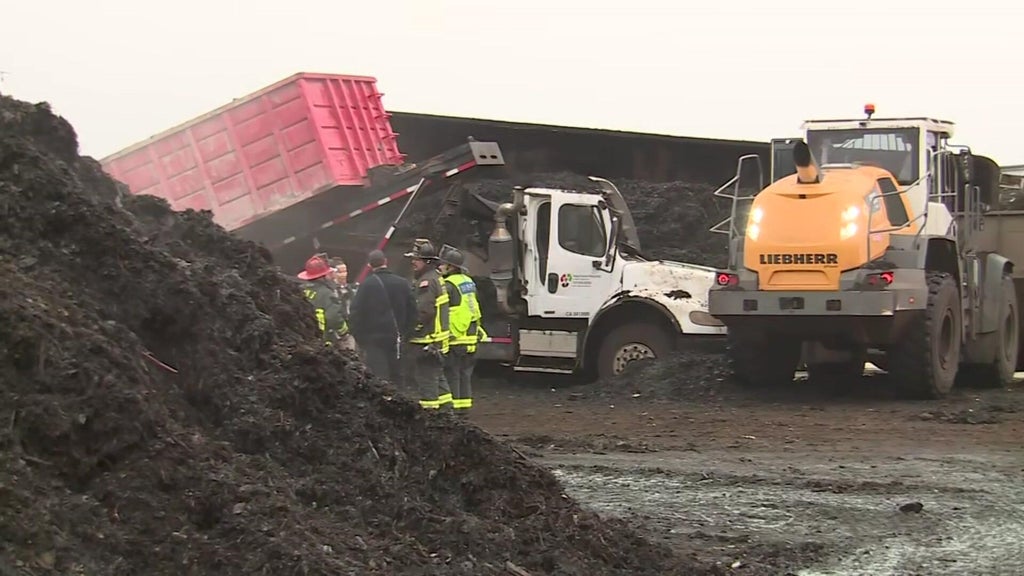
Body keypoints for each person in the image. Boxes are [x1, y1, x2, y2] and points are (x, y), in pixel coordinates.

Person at [348, 249, 415, 387]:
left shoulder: (366, 285)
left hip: (374, 342)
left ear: (369, 265)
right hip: (397, 340)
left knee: (379, 380)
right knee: (397, 377)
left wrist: (361, 339)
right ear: (386, 262)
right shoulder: (402, 283)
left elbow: (355, 314)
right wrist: (406, 333)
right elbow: (413, 311)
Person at [437, 245, 487, 416]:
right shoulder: (468, 282)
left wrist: (448, 336)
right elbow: (474, 308)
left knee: (452, 375)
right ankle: (464, 408)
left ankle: (455, 410)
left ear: (451, 267)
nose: (440, 267)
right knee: (465, 375)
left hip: (456, 338)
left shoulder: (449, 285)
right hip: (471, 338)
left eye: (443, 264)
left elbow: (449, 312)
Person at [404, 240, 452, 411]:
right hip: (437, 342)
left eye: (417, 259)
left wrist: (410, 329)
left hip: (427, 342)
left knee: (427, 383)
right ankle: (449, 416)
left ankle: (432, 419)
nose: (413, 262)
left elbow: (424, 311)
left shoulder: (426, 282)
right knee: (439, 381)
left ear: (427, 261)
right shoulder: (436, 278)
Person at [296, 254, 349, 345]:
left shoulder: (300, 290)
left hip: (305, 338)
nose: (331, 276)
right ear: (323, 276)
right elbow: (333, 317)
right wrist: (344, 331)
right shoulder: (327, 294)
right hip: (325, 339)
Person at [328, 257, 357, 351]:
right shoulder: (329, 291)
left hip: (349, 333)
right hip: (333, 334)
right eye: (340, 272)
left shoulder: (350, 290)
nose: (344, 275)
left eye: (345, 271)